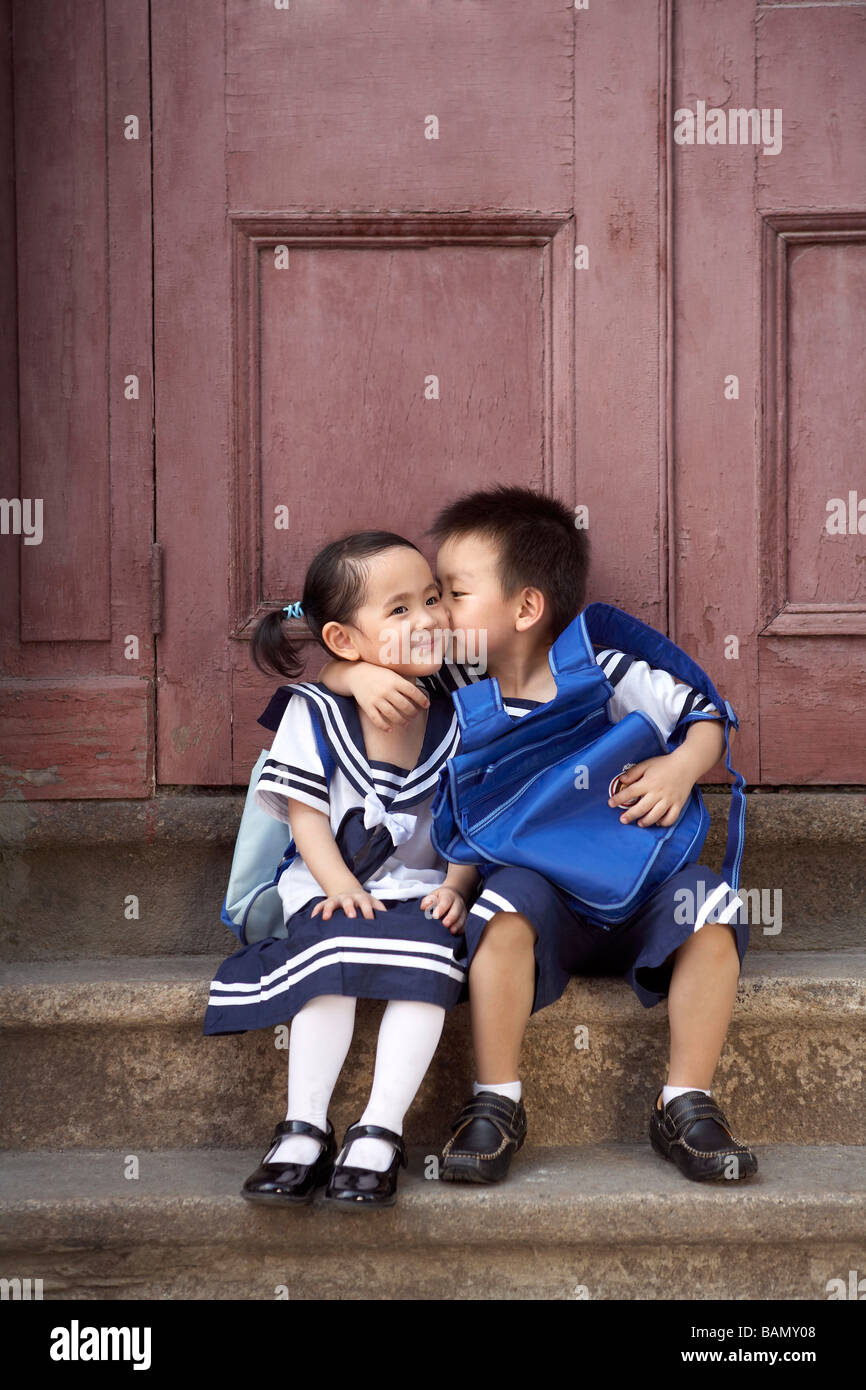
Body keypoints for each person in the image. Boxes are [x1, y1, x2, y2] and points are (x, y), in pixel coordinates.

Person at [319, 487, 758, 1185]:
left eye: (452, 595)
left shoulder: (603, 671)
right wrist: (355, 671)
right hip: (543, 899)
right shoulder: (452, 685)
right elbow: (320, 650)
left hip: (638, 884)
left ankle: (685, 1098)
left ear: (525, 608)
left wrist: (681, 766)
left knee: (709, 907)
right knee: (501, 906)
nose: (435, 615)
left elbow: (706, 714)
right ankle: (496, 1099)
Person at [203, 531, 478, 1208]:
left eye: (434, 599)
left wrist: (455, 887)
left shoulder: (464, 708)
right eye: (400, 610)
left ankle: (379, 1129)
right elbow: (306, 819)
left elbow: (476, 820)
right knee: (329, 962)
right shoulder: (317, 713)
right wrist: (341, 886)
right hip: (327, 883)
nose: (430, 619)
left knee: (428, 967)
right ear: (344, 639)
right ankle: (303, 1126)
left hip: (419, 889)